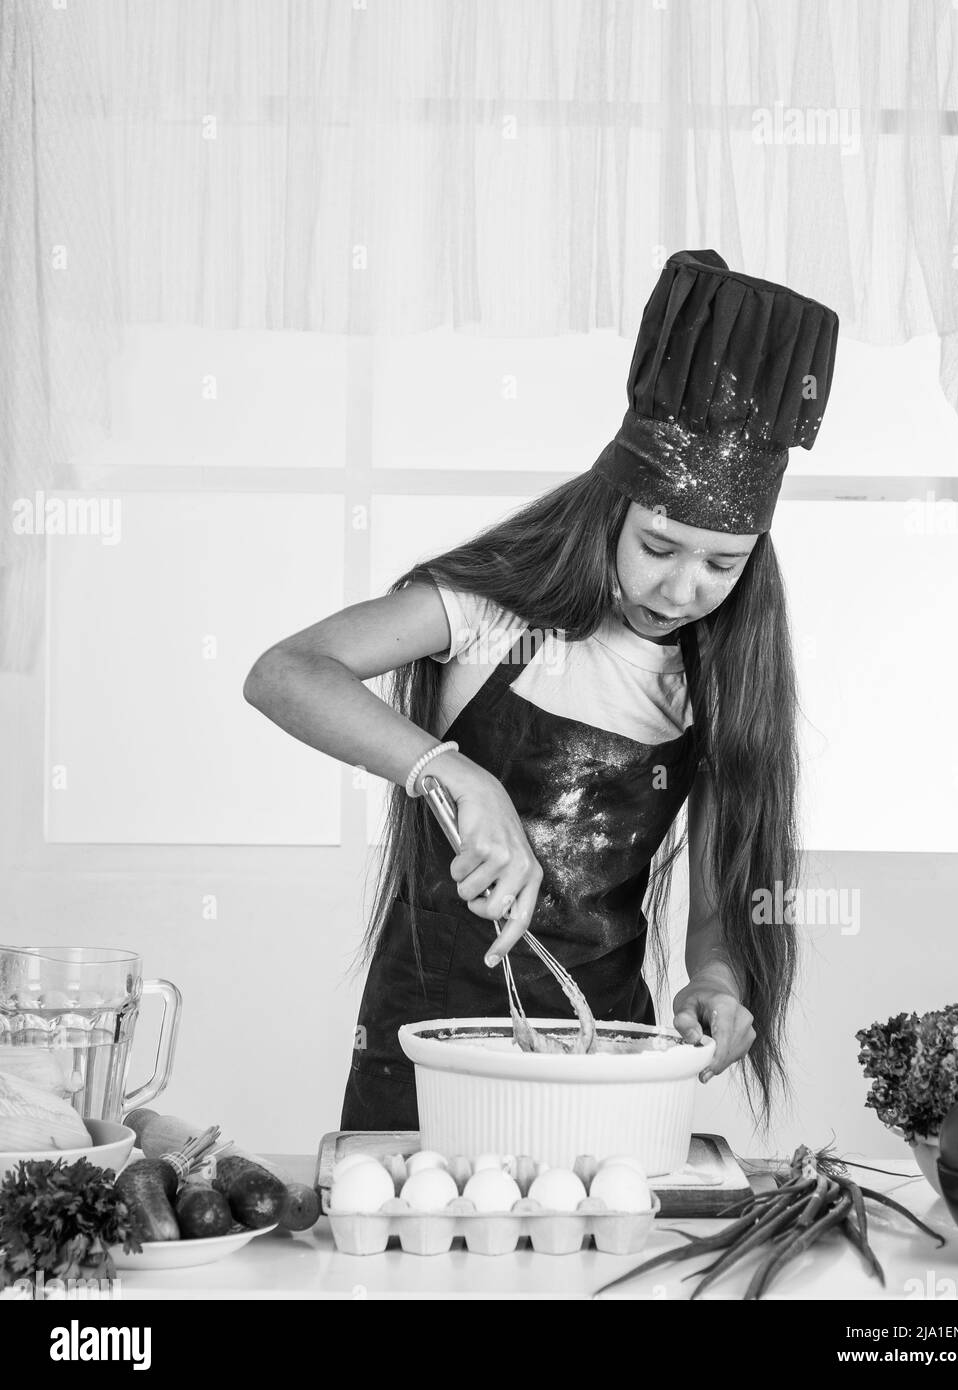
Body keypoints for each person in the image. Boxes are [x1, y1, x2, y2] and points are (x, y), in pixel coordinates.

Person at [243, 249, 839, 1135]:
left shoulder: (716, 685)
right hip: (429, 1041)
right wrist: (456, 776)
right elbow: (285, 673)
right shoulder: (494, 611)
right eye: (660, 547)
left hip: (606, 1056)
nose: (682, 591)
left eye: (723, 564)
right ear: (614, 508)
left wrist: (714, 985)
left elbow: (717, 914)